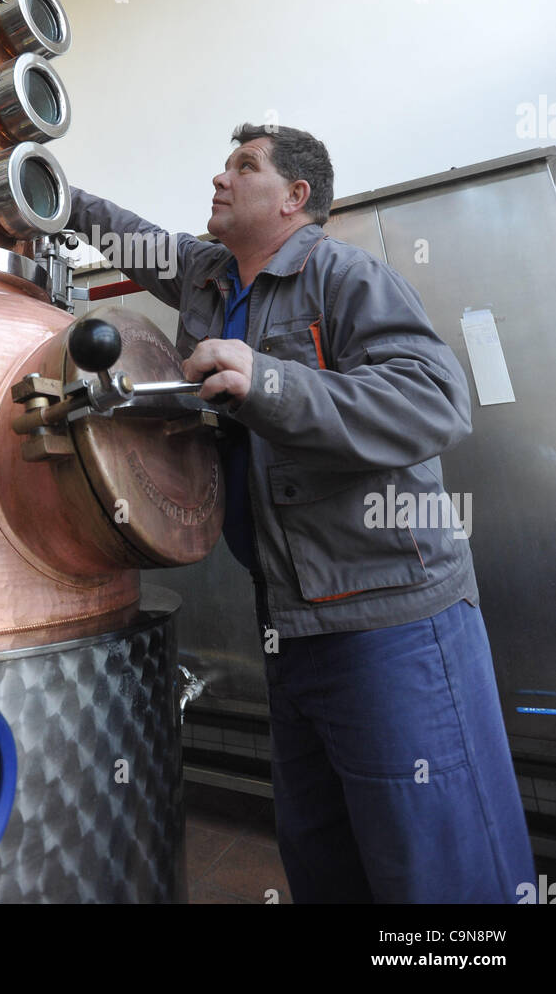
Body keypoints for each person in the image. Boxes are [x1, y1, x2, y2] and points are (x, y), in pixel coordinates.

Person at [67, 123, 535, 904]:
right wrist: (46, 189)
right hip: (290, 618)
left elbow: (434, 402)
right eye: (222, 163)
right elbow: (131, 236)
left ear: (296, 198)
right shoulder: (208, 276)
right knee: (324, 853)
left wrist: (267, 380)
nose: (220, 178)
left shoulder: (344, 275)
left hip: (391, 617)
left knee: (436, 865)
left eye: (243, 167)